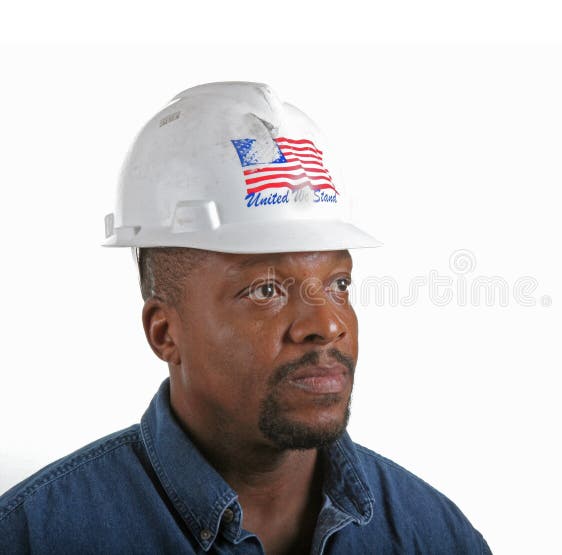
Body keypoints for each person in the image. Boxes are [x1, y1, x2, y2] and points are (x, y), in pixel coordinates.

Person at [0, 82, 491, 554]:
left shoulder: (433, 534)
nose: (326, 323)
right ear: (165, 332)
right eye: (266, 290)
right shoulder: (35, 536)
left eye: (339, 284)